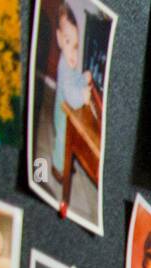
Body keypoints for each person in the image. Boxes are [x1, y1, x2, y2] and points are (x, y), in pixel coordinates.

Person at [49, 4, 93, 183]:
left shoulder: (68, 64)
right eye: (68, 43)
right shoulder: (63, 67)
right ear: (59, 39)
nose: (73, 52)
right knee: (62, 141)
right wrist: (83, 96)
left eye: (76, 46)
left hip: (65, 111)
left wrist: (83, 78)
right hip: (62, 114)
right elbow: (72, 97)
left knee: (67, 142)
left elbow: (75, 80)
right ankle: (59, 169)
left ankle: (66, 162)